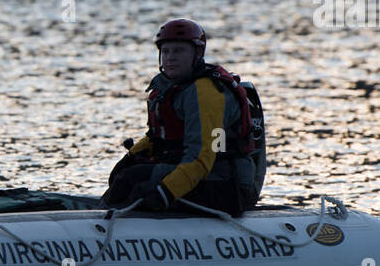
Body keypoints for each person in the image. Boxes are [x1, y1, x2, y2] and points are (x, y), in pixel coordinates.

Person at [103, 18, 262, 216]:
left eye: (179, 51)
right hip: (194, 174)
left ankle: (107, 221)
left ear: (197, 54)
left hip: (224, 184)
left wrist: (165, 192)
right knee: (125, 174)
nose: (170, 58)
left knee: (134, 180)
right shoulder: (167, 88)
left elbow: (202, 158)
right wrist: (131, 156)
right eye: (166, 51)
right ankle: (108, 211)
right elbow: (158, 136)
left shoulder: (206, 94)